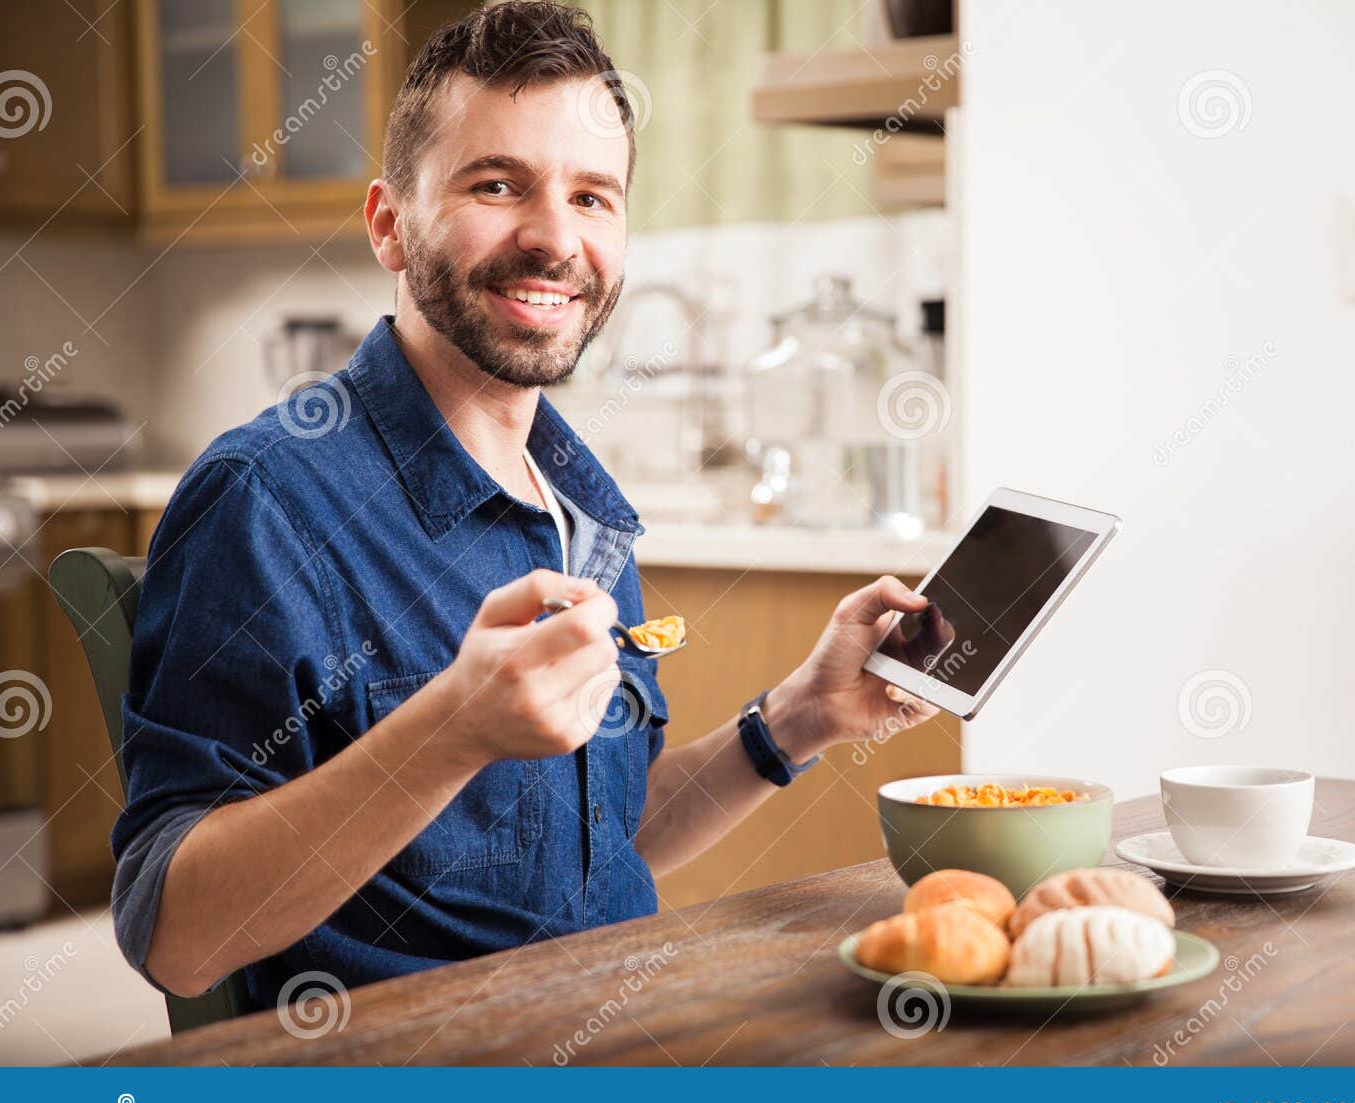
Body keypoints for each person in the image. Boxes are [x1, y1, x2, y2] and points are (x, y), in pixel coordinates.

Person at [111, 1, 938, 1007]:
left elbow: (588, 852)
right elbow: (175, 933)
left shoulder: (582, 511)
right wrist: (450, 731)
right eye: (497, 185)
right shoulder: (269, 500)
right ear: (389, 224)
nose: (554, 237)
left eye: (592, 196)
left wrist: (797, 717)